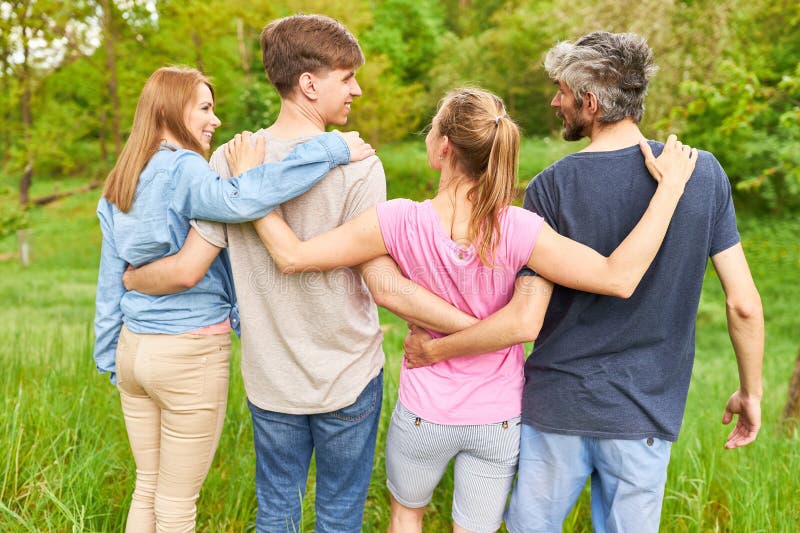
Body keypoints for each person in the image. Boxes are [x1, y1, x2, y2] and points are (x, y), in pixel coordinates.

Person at [249, 86, 697, 533]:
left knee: (406, 516)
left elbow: (292, 257)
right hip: (496, 417)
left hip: (425, 410)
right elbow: (617, 276)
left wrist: (249, 185)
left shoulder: (397, 219)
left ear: (443, 147)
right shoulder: (520, 228)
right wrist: (669, 190)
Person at [121, 15, 479, 533]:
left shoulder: (230, 158)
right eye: (346, 77)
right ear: (309, 83)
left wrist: (130, 279)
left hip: (272, 380)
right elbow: (379, 280)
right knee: (339, 517)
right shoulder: (358, 164)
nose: (356, 89)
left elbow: (189, 268)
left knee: (277, 516)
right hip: (349, 377)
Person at [405, 32, 764, 533]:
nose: (555, 101)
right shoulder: (700, 173)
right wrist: (751, 392)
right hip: (643, 415)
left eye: (561, 91)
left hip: (556, 408)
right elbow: (743, 304)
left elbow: (525, 313)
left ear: (589, 103)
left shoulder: (553, 186)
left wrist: (438, 349)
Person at [93, 65, 374, 532]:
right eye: (204, 108)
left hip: (132, 351)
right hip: (188, 350)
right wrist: (331, 148)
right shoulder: (184, 168)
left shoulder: (123, 176)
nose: (215, 120)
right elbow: (241, 200)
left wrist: (110, 357)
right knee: (177, 504)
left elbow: (110, 279)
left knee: (148, 487)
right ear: (171, 109)